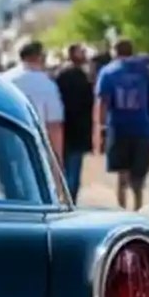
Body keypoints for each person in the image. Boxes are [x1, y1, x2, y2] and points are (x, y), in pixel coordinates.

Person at [93, 39, 149, 211]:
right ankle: (138, 208)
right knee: (138, 175)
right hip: (141, 127)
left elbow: (102, 102)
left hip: (118, 128)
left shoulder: (108, 72)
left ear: (114, 51)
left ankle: (122, 209)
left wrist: (100, 128)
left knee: (121, 175)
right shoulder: (143, 72)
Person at [3, 41, 64, 161]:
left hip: (5, 145)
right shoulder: (46, 84)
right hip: (35, 148)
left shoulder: (4, 80)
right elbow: (54, 126)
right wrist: (57, 160)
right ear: (38, 57)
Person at [53, 44, 94, 200]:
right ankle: (70, 199)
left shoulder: (60, 75)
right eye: (81, 52)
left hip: (62, 126)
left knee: (61, 166)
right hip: (77, 129)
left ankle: (62, 197)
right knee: (73, 169)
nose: (84, 55)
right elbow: (89, 102)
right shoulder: (80, 76)